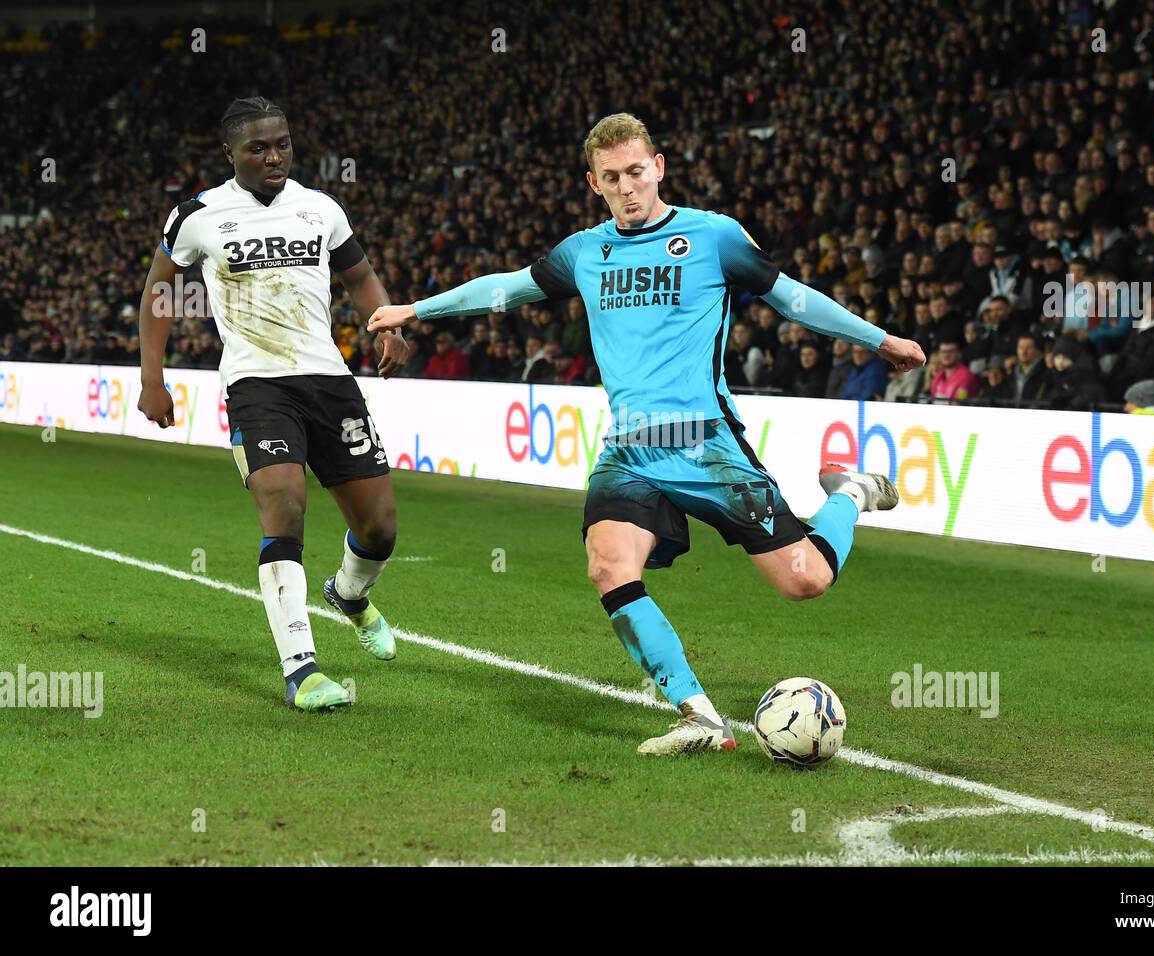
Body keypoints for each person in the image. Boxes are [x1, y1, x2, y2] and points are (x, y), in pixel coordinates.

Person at [368, 112, 925, 755]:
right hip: (628, 450)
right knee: (609, 566)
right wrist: (417, 309)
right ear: (593, 183)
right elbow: (506, 290)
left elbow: (791, 297)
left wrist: (878, 340)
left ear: (658, 167)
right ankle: (699, 716)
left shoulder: (713, 237)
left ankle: (850, 493)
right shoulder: (584, 251)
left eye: (636, 171)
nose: (628, 187)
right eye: (612, 178)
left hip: (706, 444)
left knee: (805, 580)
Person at [137, 97, 411, 713]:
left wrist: (388, 326)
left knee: (380, 527)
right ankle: (302, 670)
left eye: (282, 143)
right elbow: (158, 295)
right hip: (256, 386)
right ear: (229, 153)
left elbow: (361, 277)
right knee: (284, 506)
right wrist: (153, 378)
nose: (274, 155)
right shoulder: (198, 216)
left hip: (329, 382)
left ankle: (349, 593)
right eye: (259, 147)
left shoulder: (321, 208)